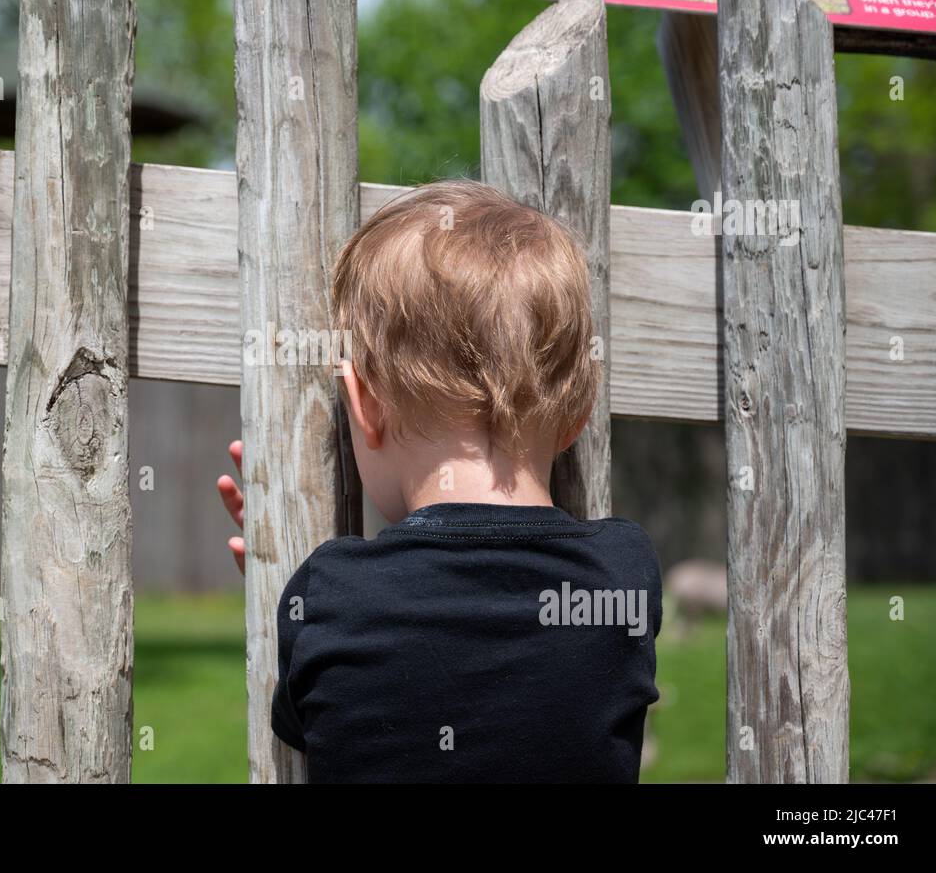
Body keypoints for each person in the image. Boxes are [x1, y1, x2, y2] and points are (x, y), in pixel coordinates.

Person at [217, 180, 662, 782]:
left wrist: (293, 598)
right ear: (578, 415)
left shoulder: (328, 591)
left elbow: (306, 721)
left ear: (364, 405)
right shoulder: (624, 574)